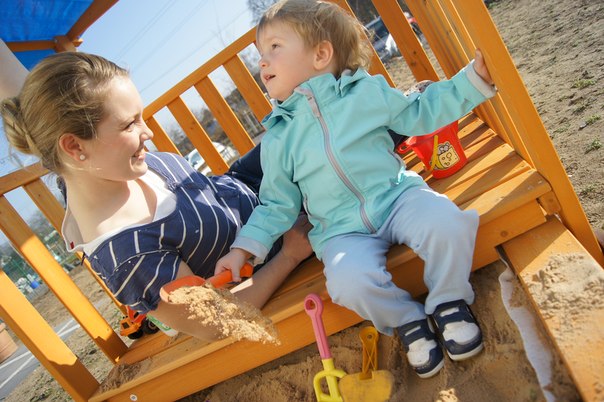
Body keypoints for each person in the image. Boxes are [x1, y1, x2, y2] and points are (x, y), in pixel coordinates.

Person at [216, 0, 496, 378]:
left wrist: (472, 82)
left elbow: (417, 113)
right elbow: (276, 204)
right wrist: (243, 249)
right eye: (261, 53)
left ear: (321, 54)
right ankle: (407, 320)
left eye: (274, 47)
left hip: (396, 197)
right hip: (340, 231)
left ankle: (449, 301)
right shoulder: (279, 138)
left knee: (447, 222)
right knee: (348, 283)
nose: (262, 62)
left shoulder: (364, 92)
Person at [0, 51, 313, 341]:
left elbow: (33, 103)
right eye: (129, 124)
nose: (147, 132)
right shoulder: (129, 255)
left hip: (246, 185)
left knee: (308, 121)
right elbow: (218, 321)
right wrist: (289, 256)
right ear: (74, 146)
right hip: (275, 236)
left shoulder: (90, 170)